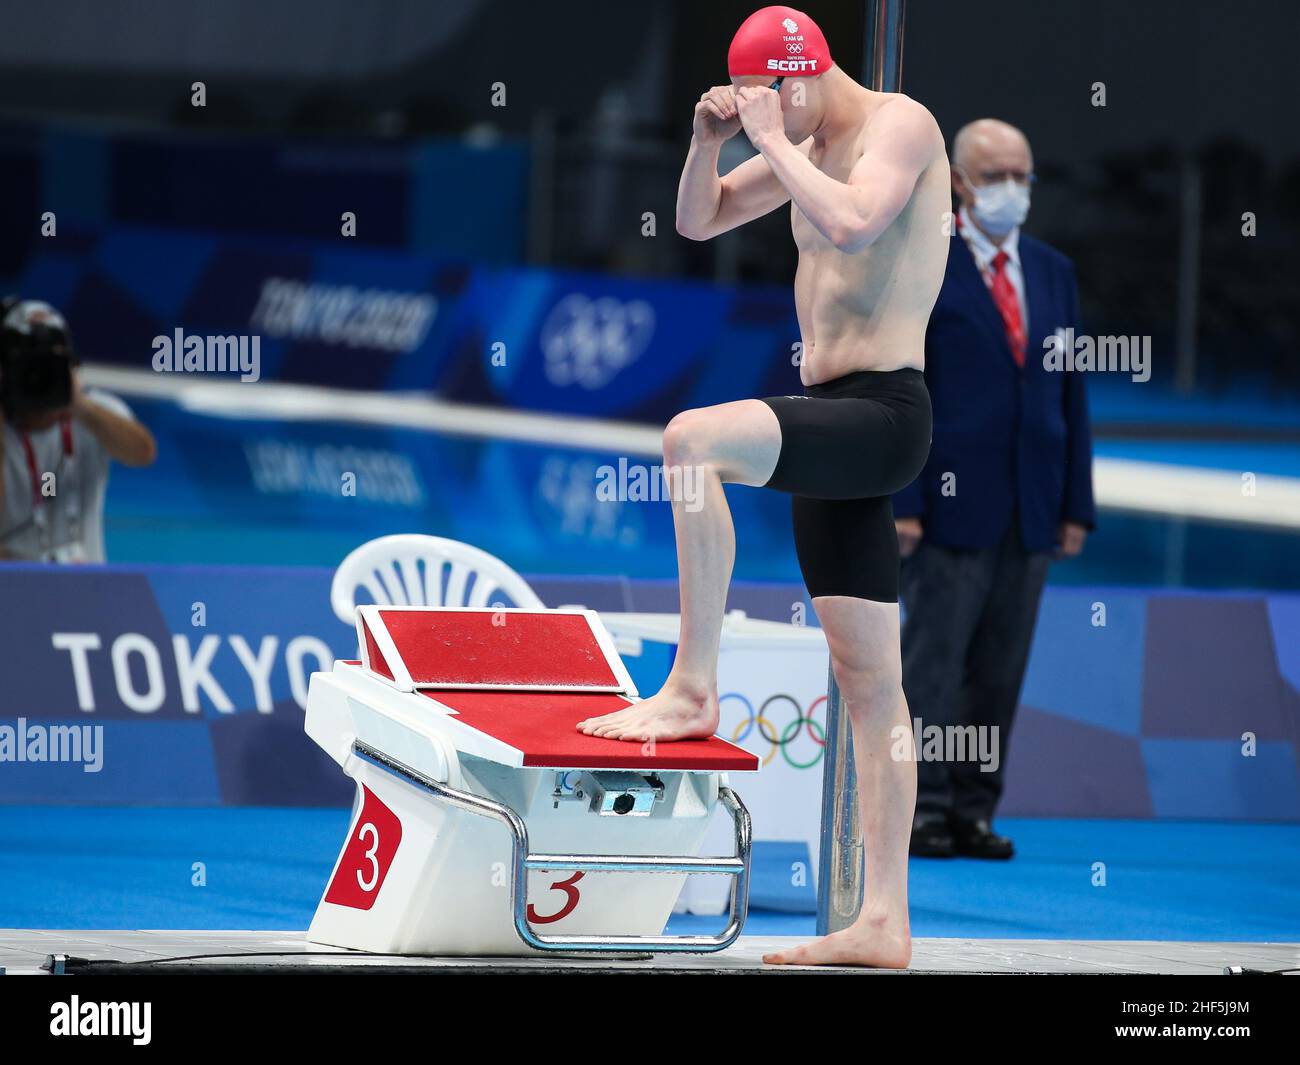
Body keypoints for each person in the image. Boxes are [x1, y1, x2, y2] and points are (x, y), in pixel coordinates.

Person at [575, 6, 949, 967]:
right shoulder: (806, 136)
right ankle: (884, 923)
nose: (762, 116)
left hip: (884, 412)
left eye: (768, 99)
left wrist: (777, 142)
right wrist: (708, 146)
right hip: (835, 425)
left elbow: (857, 221)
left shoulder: (896, 124)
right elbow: (699, 220)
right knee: (873, 686)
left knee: (692, 441)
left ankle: (694, 685)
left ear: (801, 75)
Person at [893, 119, 1096, 860]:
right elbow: (904, 392)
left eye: (1024, 175)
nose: (1013, 188)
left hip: (1031, 504)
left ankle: (975, 809)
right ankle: (923, 808)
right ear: (960, 180)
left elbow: (1069, 393)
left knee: (1000, 670)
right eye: (997, 174)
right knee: (933, 664)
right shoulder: (924, 263)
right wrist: (905, 500)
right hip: (948, 504)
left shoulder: (1052, 272)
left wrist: (1077, 502)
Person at [0, 299, 156, 562]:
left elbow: (143, 453)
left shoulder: (94, 415)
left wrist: (79, 404)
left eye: (53, 364)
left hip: (87, 591)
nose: (39, 377)